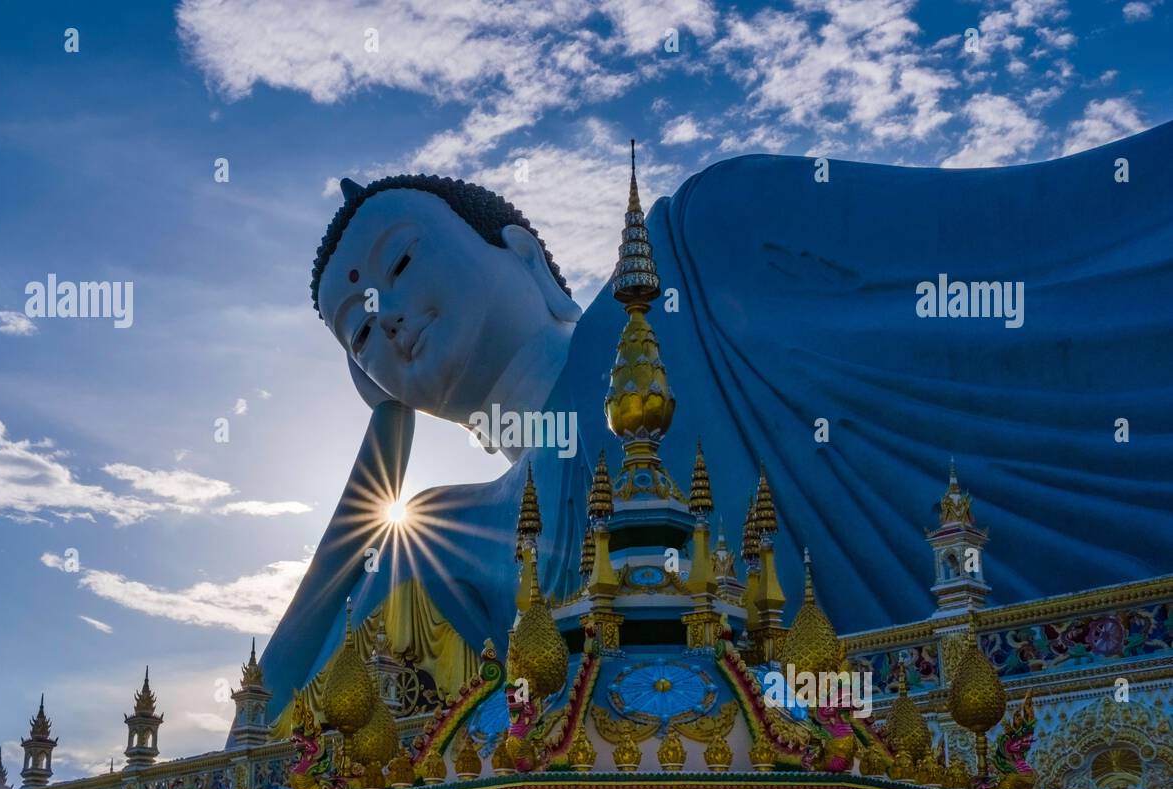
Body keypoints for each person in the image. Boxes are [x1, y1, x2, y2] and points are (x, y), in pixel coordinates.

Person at [251, 124, 1173, 733]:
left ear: (521, 250)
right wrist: (385, 441)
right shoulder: (448, 544)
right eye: (358, 331)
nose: (389, 316)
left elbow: (1034, 250)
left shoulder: (700, 255)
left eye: (403, 261)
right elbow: (273, 741)